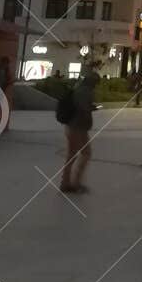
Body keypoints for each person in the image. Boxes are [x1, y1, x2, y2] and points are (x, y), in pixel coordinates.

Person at [59, 67, 97, 195]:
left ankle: (65, 182)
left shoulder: (77, 88)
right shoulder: (86, 92)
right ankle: (76, 183)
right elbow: (84, 109)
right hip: (79, 127)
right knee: (86, 153)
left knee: (71, 155)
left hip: (70, 126)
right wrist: (91, 110)